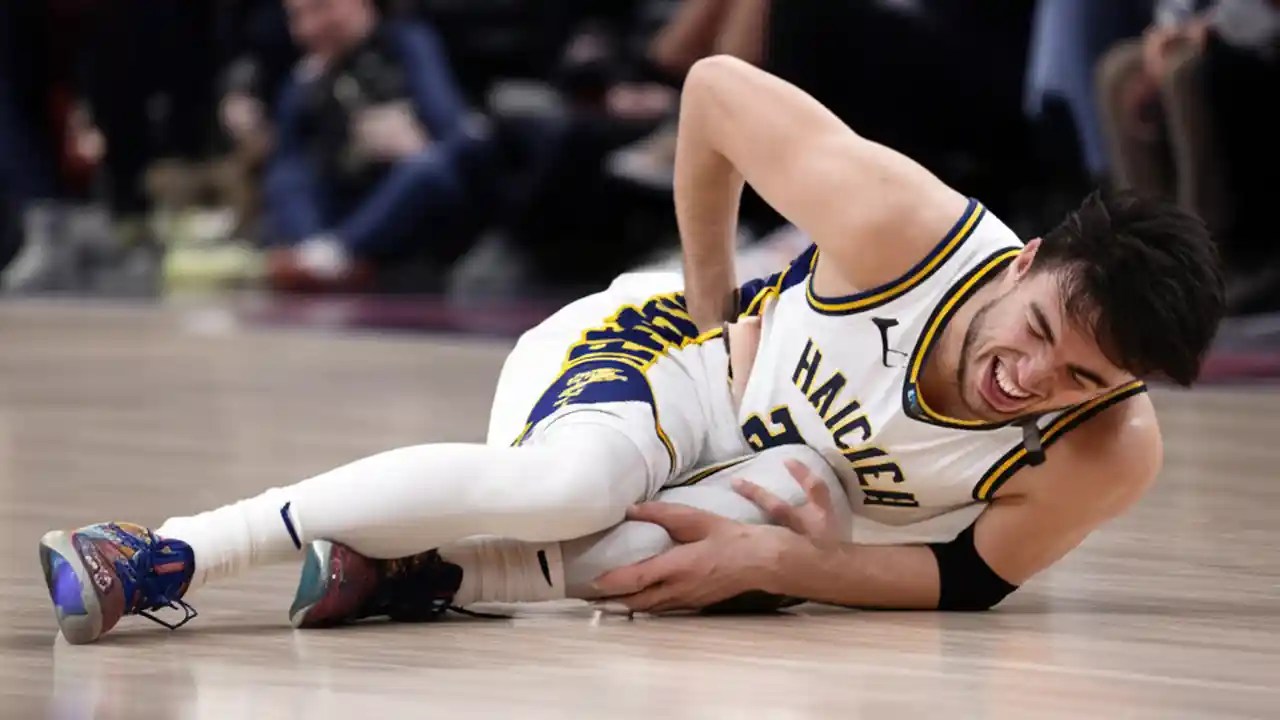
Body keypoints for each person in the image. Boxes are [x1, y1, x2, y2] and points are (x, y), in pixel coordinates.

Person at [39, 57, 1225, 644]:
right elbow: (710, 89)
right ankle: (170, 551)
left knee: (776, 516)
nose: (1032, 381)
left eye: (1079, 380)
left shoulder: (1108, 449)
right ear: (1023, 263)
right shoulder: (902, 225)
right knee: (570, 492)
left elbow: (966, 578)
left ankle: (418, 574)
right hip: (667, 361)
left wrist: (780, 560)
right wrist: (710, 304)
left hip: (750, 468)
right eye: (1038, 334)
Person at [262, 0, 495, 292]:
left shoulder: (408, 42)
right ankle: (312, 253)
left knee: (425, 168)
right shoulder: (307, 75)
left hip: (408, 206)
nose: (308, 29)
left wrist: (415, 144)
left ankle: (333, 256)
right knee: (288, 177)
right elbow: (287, 160)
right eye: (296, 17)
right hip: (343, 207)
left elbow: (464, 137)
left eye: (322, 9)